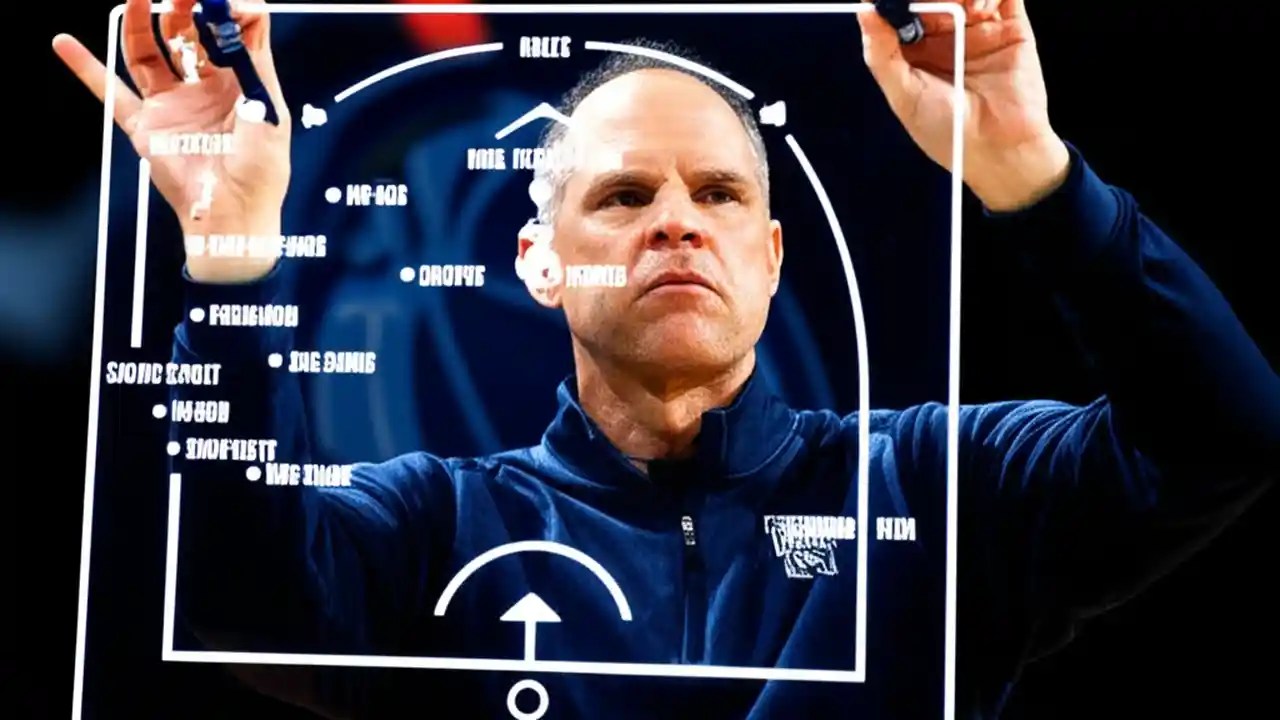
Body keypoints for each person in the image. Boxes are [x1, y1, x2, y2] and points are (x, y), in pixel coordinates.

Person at [54, 0, 1277, 718]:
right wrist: (228, 263)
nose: (676, 221)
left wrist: (1036, 182)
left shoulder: (938, 485)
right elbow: (224, 588)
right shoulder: (430, 521)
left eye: (718, 194)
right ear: (539, 263)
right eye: (624, 195)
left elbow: (1221, 434)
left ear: (772, 254)